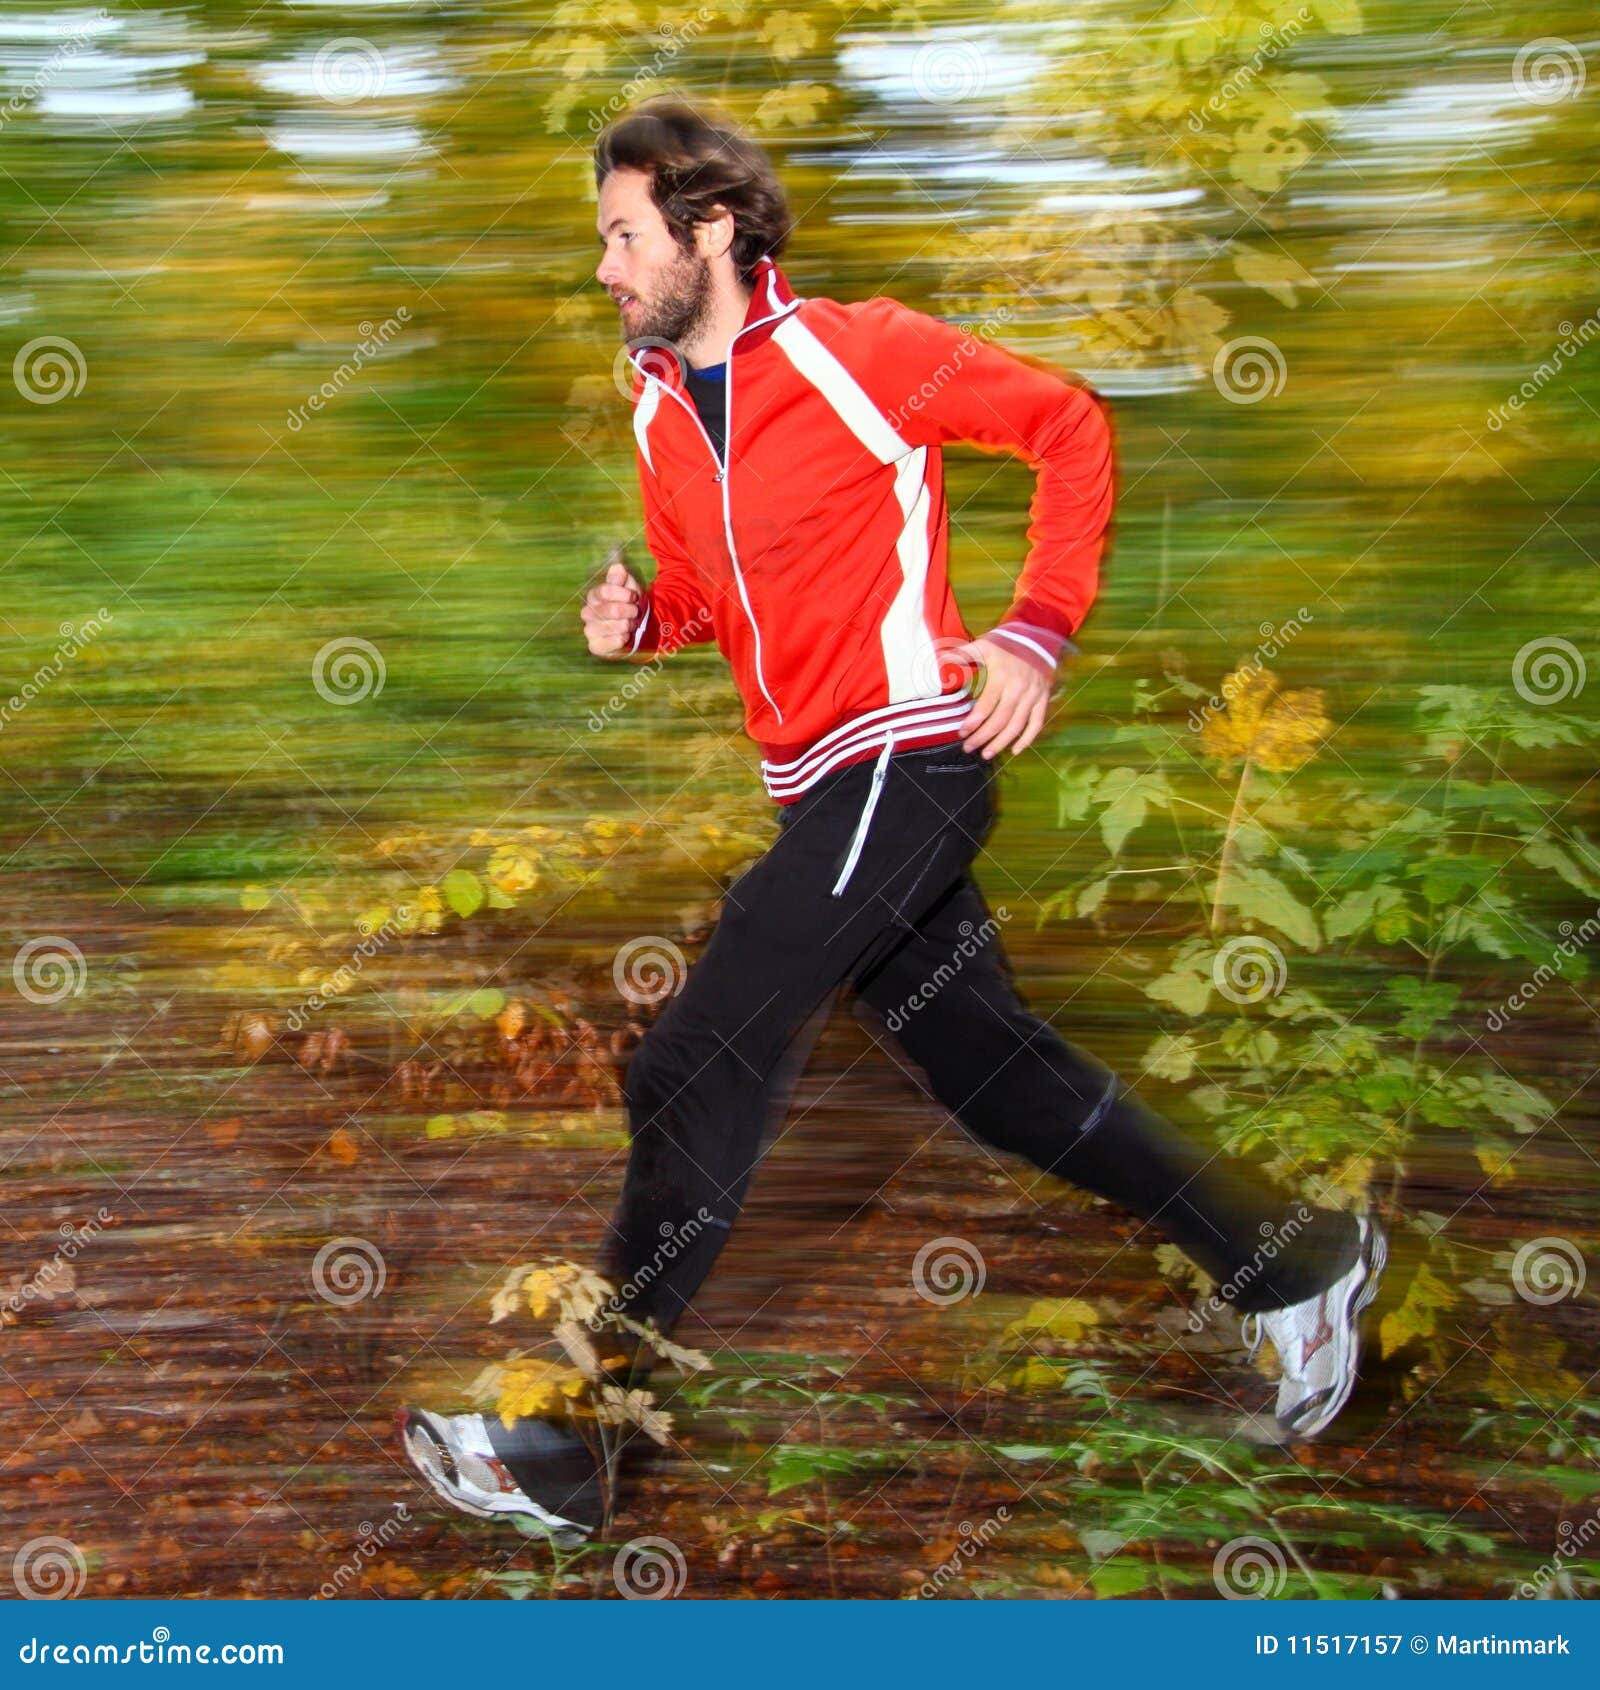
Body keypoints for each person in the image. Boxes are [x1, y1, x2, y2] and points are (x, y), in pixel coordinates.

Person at [398, 97, 1386, 1541]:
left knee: (698, 1053)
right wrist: (642, 622)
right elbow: (708, 594)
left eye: (622, 236)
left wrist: (1036, 631)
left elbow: (1069, 427)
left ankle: (574, 1439)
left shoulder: (862, 352)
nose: (605, 268)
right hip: (822, 790)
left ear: (708, 229)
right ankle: (1294, 1260)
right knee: (1001, 1081)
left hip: (907, 761)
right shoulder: (659, 405)